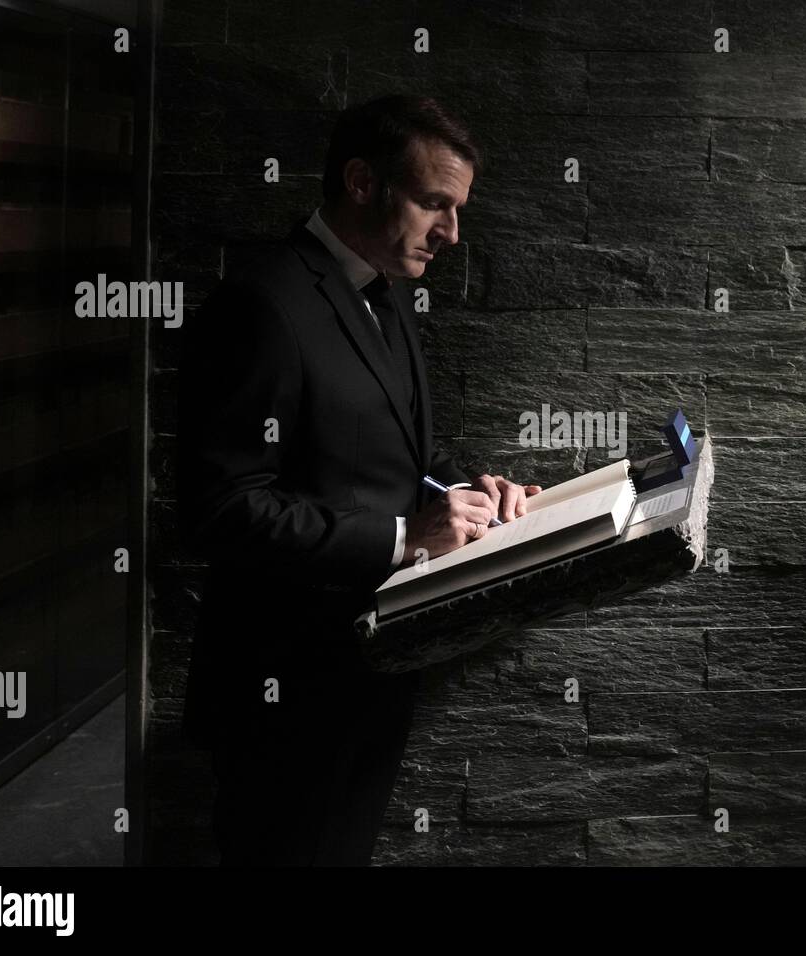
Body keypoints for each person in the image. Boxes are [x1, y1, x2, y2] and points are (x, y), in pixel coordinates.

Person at [176, 94, 539, 866]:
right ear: (362, 182)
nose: (452, 233)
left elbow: (405, 458)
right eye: (435, 203)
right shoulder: (262, 305)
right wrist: (409, 537)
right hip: (281, 694)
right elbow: (221, 508)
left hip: (367, 676)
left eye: (457, 208)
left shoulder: (383, 290)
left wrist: (470, 495)